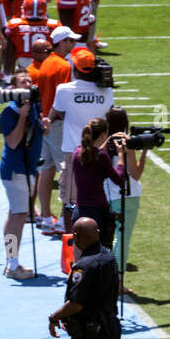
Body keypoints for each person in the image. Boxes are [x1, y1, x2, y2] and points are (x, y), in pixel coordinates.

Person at [44, 44, 113, 233]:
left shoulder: (64, 90)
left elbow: (56, 113)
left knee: (69, 200)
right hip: (100, 151)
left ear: (74, 68)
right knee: (96, 195)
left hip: (74, 153)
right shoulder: (107, 91)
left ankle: (69, 237)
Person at [0, 73, 42, 281]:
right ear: (13, 87)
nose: (29, 85)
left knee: (14, 213)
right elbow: (14, 142)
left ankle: (10, 261)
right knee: (19, 216)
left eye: (29, 81)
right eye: (23, 82)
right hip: (16, 170)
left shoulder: (33, 105)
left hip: (25, 169)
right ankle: (13, 265)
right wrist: (23, 117)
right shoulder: (10, 112)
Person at [27, 32, 71, 228]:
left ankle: (45, 215)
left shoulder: (45, 64)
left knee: (46, 169)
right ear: (62, 42)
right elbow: (66, 96)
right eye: (71, 40)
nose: (74, 43)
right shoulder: (63, 65)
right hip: (58, 123)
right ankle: (64, 218)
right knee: (66, 170)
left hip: (45, 121)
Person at [104, 106, 148, 282]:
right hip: (128, 197)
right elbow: (135, 174)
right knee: (122, 241)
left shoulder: (104, 142)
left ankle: (106, 277)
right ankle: (117, 281)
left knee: (107, 239)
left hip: (107, 196)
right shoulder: (126, 142)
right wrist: (144, 152)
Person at [70, 114, 124, 246]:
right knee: (98, 257)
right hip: (98, 213)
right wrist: (121, 156)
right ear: (103, 135)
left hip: (79, 211)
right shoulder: (101, 157)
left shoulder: (77, 153)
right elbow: (119, 179)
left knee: (81, 256)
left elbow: (92, 165)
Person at [4, 0, 58, 72]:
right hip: (46, 66)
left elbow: (10, 55)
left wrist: (7, 76)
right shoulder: (54, 25)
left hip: (24, 67)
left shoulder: (14, 25)